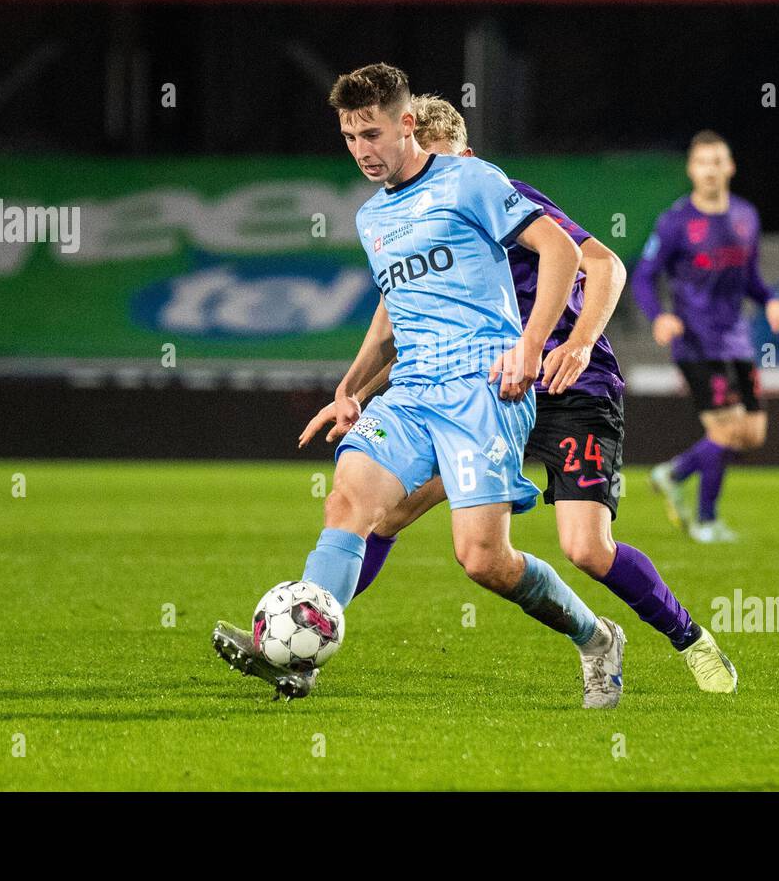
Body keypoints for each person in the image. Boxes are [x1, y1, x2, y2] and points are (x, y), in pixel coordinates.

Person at [213, 64, 625, 707]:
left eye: (371, 134)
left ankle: (595, 637)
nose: (361, 151)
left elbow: (565, 254)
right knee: (347, 505)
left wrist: (530, 346)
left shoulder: (471, 181)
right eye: (349, 137)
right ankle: (297, 659)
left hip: (482, 390)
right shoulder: (373, 219)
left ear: (407, 123)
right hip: (410, 392)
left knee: (484, 560)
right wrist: (349, 388)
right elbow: (392, 316)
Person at [300, 96, 737, 694]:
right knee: (381, 513)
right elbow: (405, 332)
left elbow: (603, 265)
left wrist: (579, 343)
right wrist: (354, 389)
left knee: (585, 547)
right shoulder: (409, 221)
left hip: (567, 383)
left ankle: (688, 638)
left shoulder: (501, 195)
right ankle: (304, 641)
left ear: (466, 159)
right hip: (481, 392)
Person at [633, 131, 779, 543]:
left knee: (752, 434)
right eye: (702, 162)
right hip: (696, 341)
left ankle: (673, 473)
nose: (710, 170)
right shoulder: (676, 222)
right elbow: (644, 277)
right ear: (692, 169)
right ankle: (706, 520)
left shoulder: (746, 216)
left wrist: (771, 301)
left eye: (717, 161)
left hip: (736, 338)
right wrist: (659, 316)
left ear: (730, 167)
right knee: (725, 432)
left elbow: (752, 279)